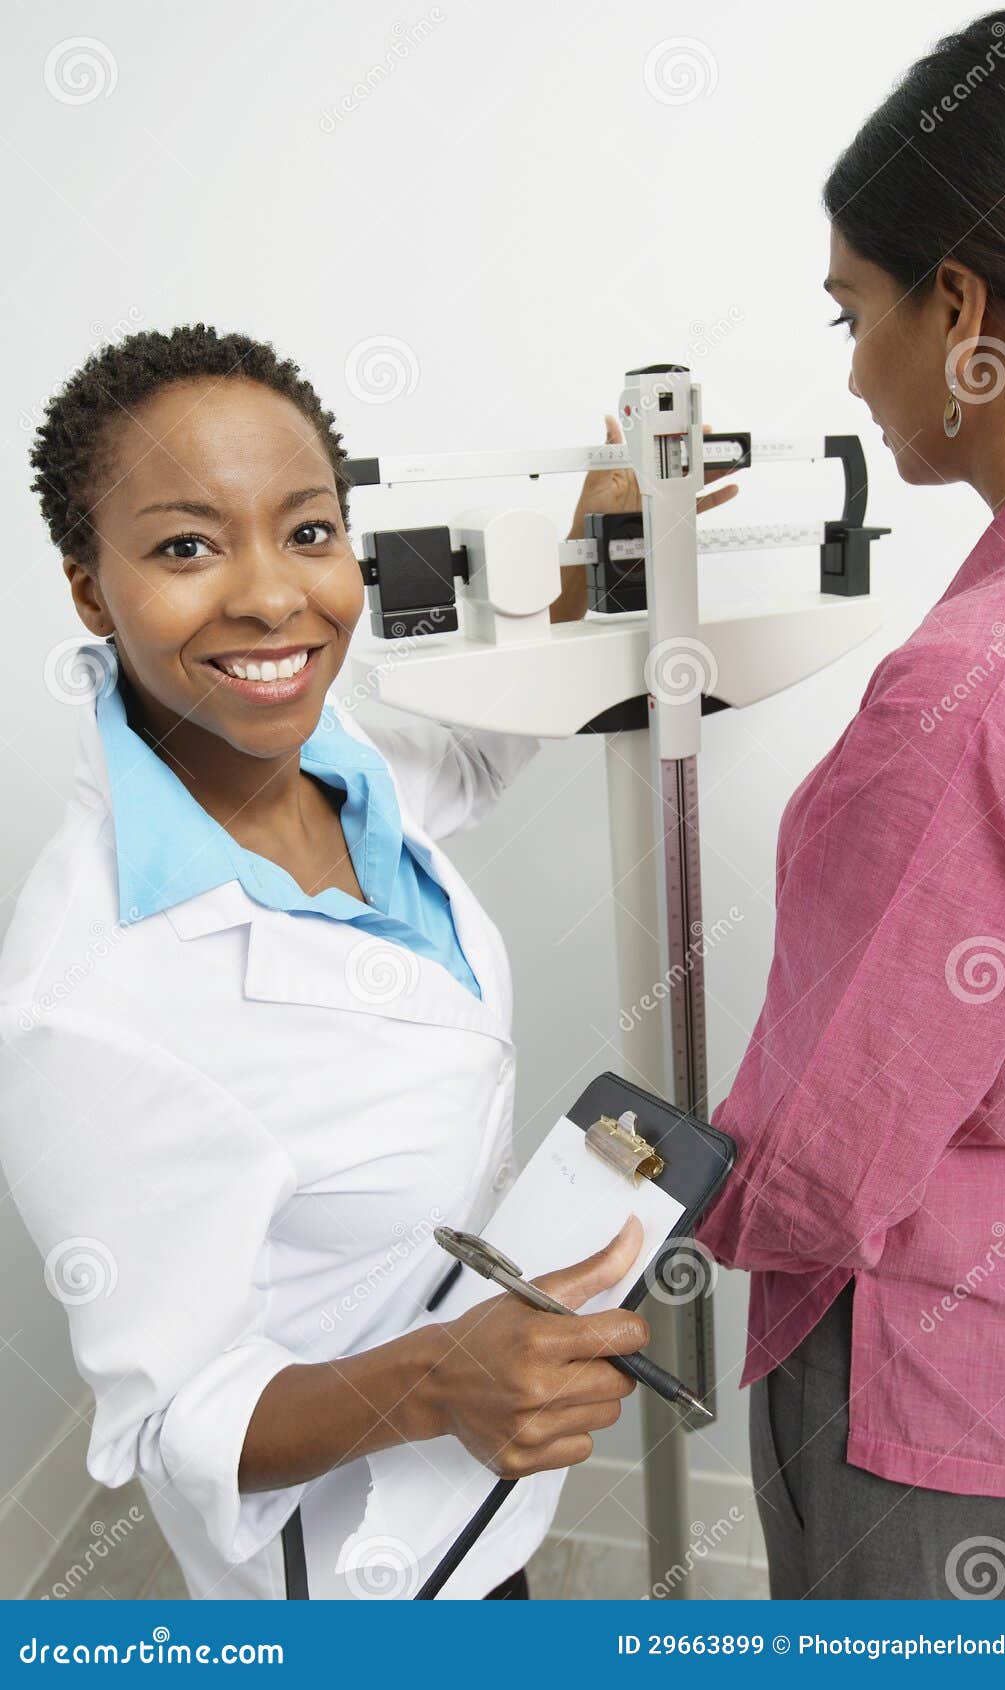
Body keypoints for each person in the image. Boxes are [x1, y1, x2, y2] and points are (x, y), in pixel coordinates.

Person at [0, 324, 737, 1601]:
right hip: (354, 1575)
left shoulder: (327, 749)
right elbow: (172, 1425)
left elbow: (473, 750)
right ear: (86, 584)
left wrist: (592, 551)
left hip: (482, 1478)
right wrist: (440, 1378)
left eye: (307, 531)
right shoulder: (87, 1006)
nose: (273, 597)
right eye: (185, 545)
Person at [565, 7, 1005, 1602]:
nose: (849, 369)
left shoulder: (971, 688)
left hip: (937, 1395)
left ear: (960, 309)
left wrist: (602, 1215)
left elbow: (830, 1158)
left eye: (854, 312)